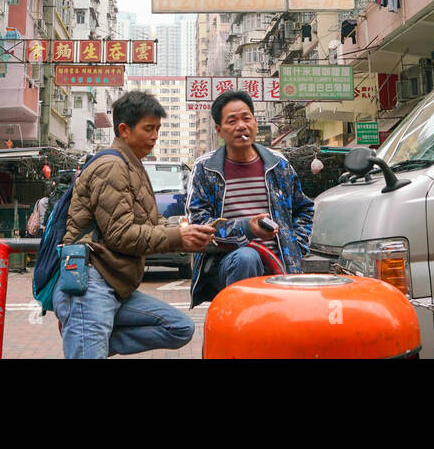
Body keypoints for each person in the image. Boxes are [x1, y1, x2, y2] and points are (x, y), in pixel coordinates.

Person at [52, 90, 214, 359]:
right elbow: (121, 235)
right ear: (124, 129)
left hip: (115, 286)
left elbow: (149, 222)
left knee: (179, 327)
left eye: (158, 129)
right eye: (148, 128)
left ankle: (89, 337)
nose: (155, 136)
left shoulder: (133, 165)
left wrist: (184, 230)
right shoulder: (112, 166)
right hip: (91, 283)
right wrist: (178, 237)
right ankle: (85, 334)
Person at [187, 89, 315, 309]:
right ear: (219, 130)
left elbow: (304, 209)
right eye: (232, 121)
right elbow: (199, 223)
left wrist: (296, 245)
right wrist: (246, 228)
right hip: (229, 264)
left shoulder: (278, 164)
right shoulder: (205, 168)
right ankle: (241, 328)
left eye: (246, 118)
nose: (241, 126)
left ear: (255, 122)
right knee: (247, 257)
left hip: (280, 265)